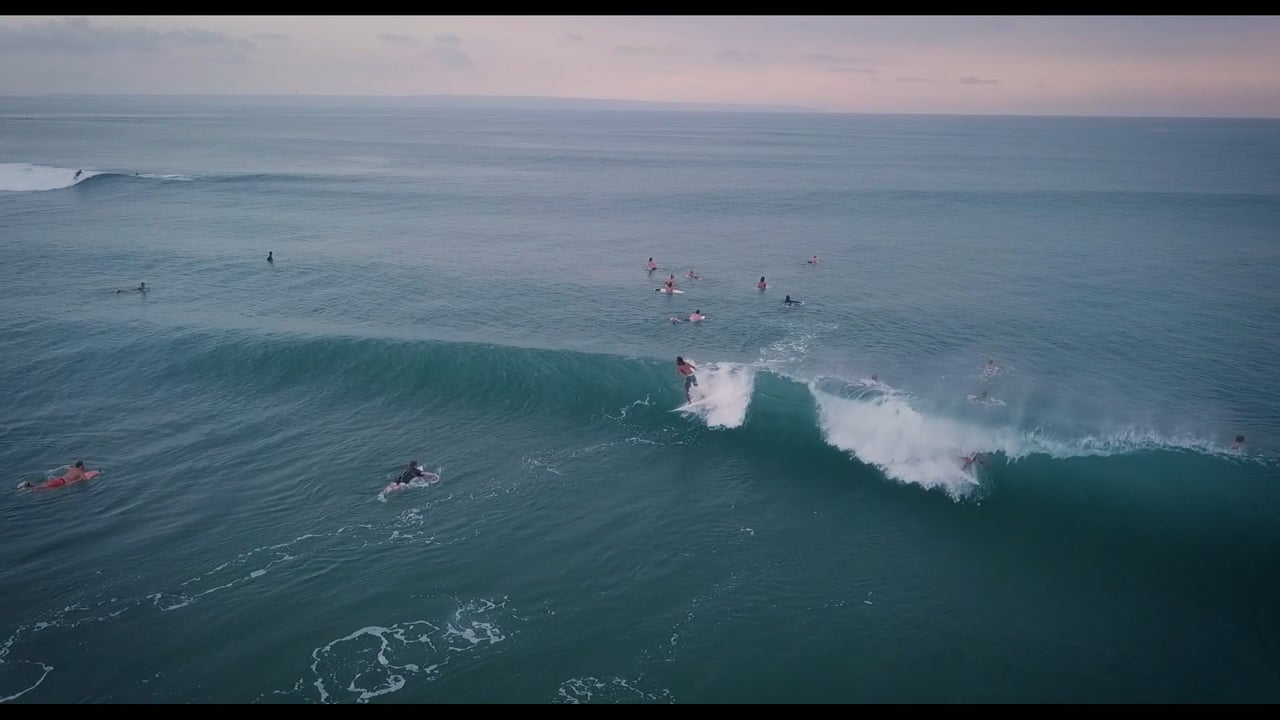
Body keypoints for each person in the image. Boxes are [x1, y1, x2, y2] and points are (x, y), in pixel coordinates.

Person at [19, 461, 88, 490]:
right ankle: (26, 487)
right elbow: (85, 479)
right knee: (43, 488)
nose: (84, 467)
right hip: (62, 482)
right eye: (83, 465)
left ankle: (27, 485)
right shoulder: (80, 471)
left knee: (43, 485)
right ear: (80, 466)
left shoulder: (72, 468)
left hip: (58, 479)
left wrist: (69, 466)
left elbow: (66, 467)